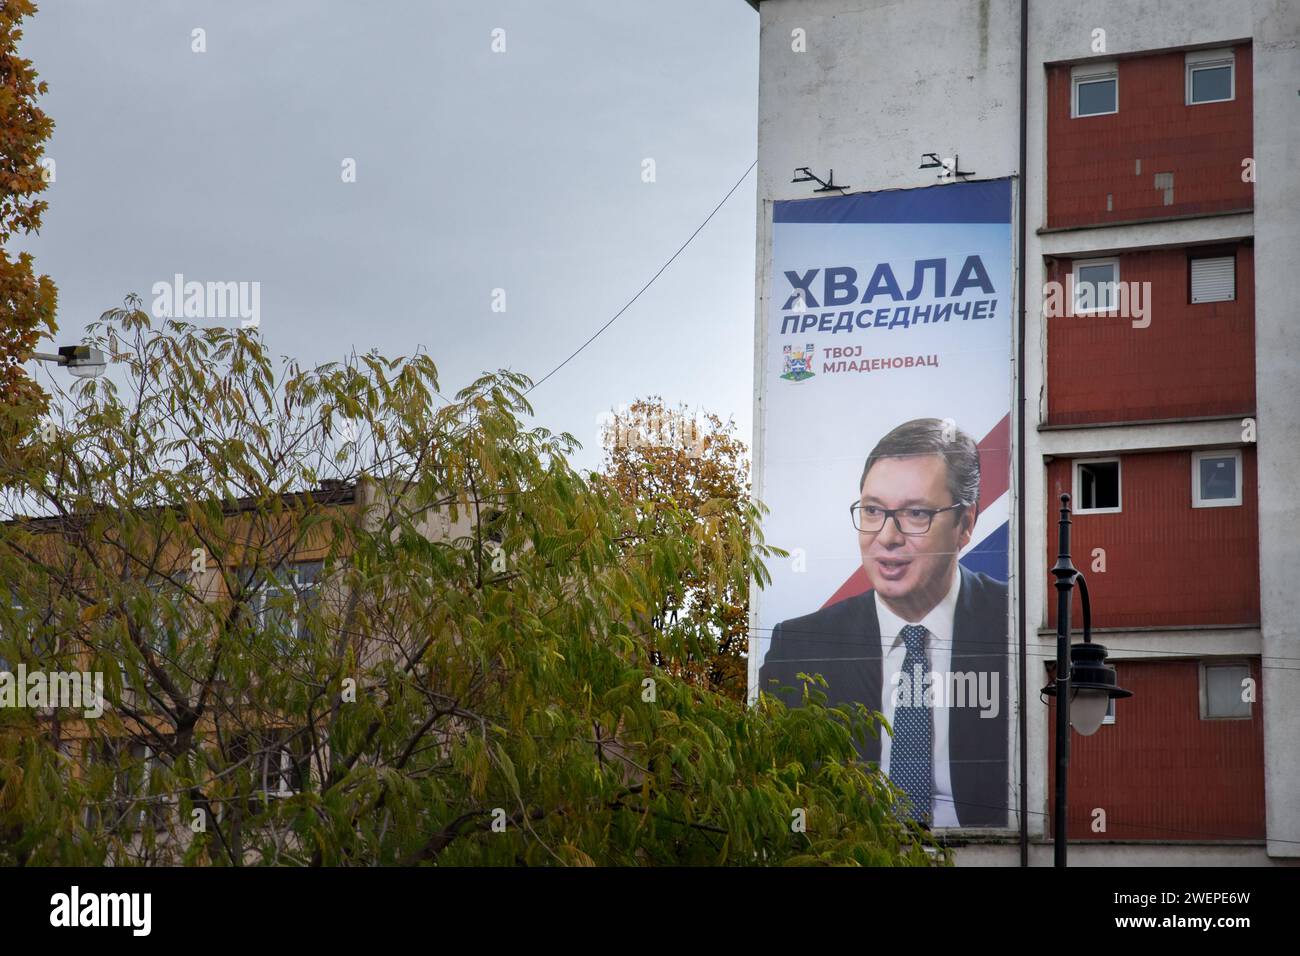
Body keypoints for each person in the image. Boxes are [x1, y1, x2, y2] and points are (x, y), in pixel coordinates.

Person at [759, 418, 1009, 827]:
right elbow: (775, 791)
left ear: (965, 525)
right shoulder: (799, 647)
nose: (887, 536)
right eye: (873, 511)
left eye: (915, 513)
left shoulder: (1014, 623)